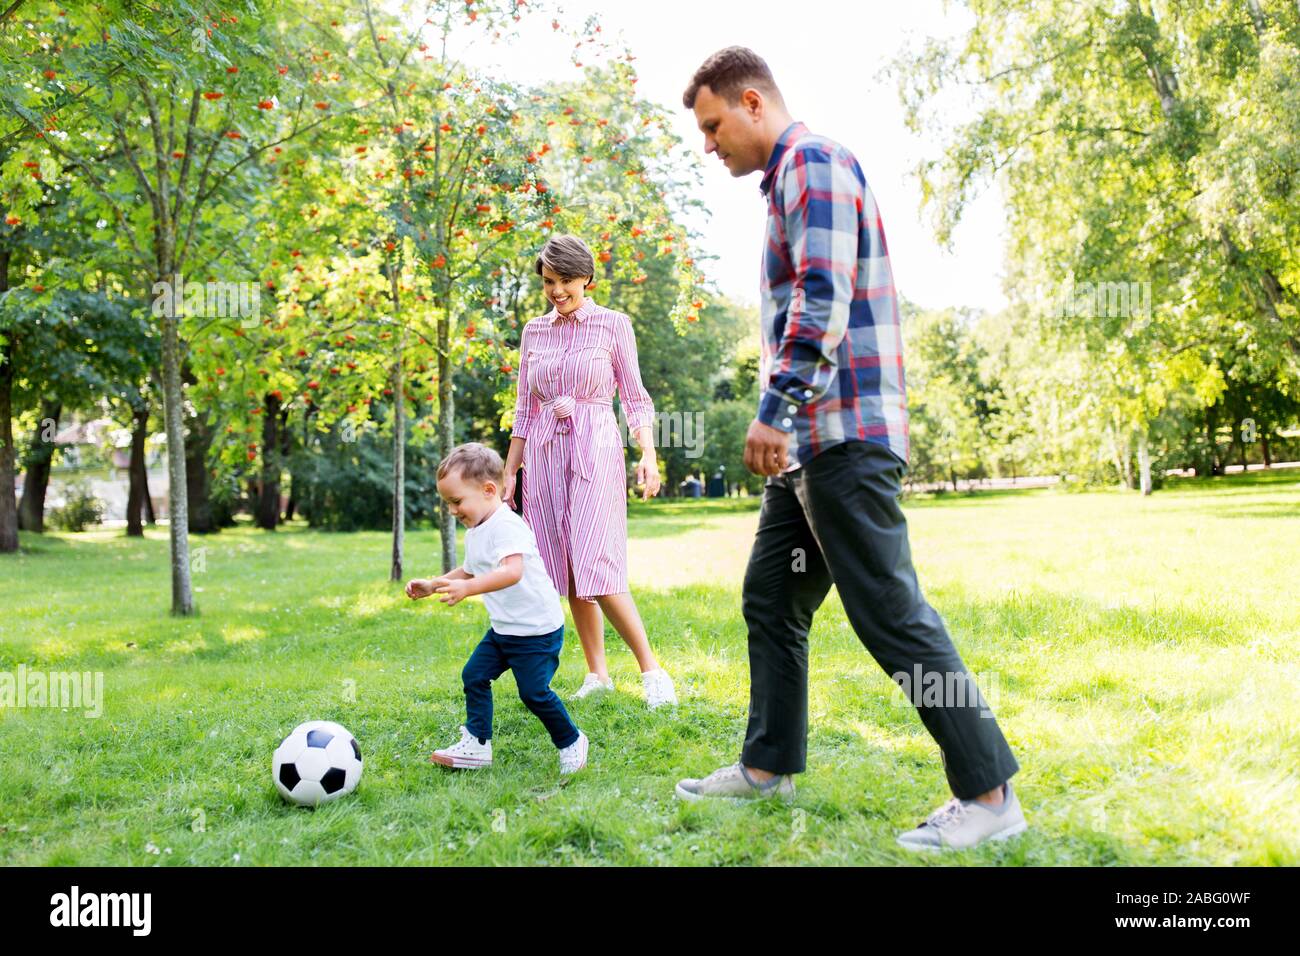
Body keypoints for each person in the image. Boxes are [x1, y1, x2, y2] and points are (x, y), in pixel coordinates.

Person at [674, 46, 1027, 851]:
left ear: (753, 102)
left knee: (890, 612)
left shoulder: (815, 163)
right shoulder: (784, 182)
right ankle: (768, 768)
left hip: (842, 434)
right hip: (808, 448)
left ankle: (989, 793)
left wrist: (774, 406)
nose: (709, 144)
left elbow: (822, 294)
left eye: (713, 125)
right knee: (772, 597)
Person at [501, 234, 677, 709]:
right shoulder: (534, 332)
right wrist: (510, 471)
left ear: (588, 278)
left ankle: (653, 671)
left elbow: (636, 398)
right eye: (549, 282)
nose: (557, 291)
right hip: (543, 455)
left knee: (597, 562)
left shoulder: (613, 325)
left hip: (595, 447)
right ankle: (598, 674)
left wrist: (648, 454)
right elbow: (523, 407)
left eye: (565, 282)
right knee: (568, 566)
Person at [406, 442, 589, 775]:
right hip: (505, 629)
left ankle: (572, 740)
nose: (453, 511)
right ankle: (477, 744)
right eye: (448, 503)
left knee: (534, 693)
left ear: (489, 490)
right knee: (474, 675)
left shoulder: (505, 525)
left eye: (457, 502)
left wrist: (469, 589)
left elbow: (511, 571)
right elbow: (471, 569)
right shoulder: (477, 529)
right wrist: (436, 583)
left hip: (536, 630)